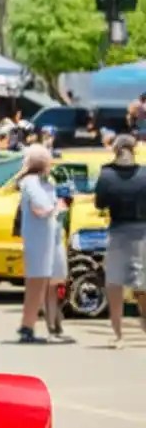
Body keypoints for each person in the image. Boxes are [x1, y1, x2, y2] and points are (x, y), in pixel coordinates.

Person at [93, 134, 146, 347]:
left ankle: (118, 335)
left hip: (117, 231)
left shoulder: (106, 174)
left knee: (114, 284)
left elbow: (99, 203)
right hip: (142, 232)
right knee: (142, 286)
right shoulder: (144, 174)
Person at [16, 144, 70, 343]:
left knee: (50, 282)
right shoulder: (30, 182)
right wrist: (57, 206)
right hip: (38, 239)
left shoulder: (45, 181)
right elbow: (41, 207)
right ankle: (27, 327)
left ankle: (51, 326)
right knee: (36, 285)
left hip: (50, 236)